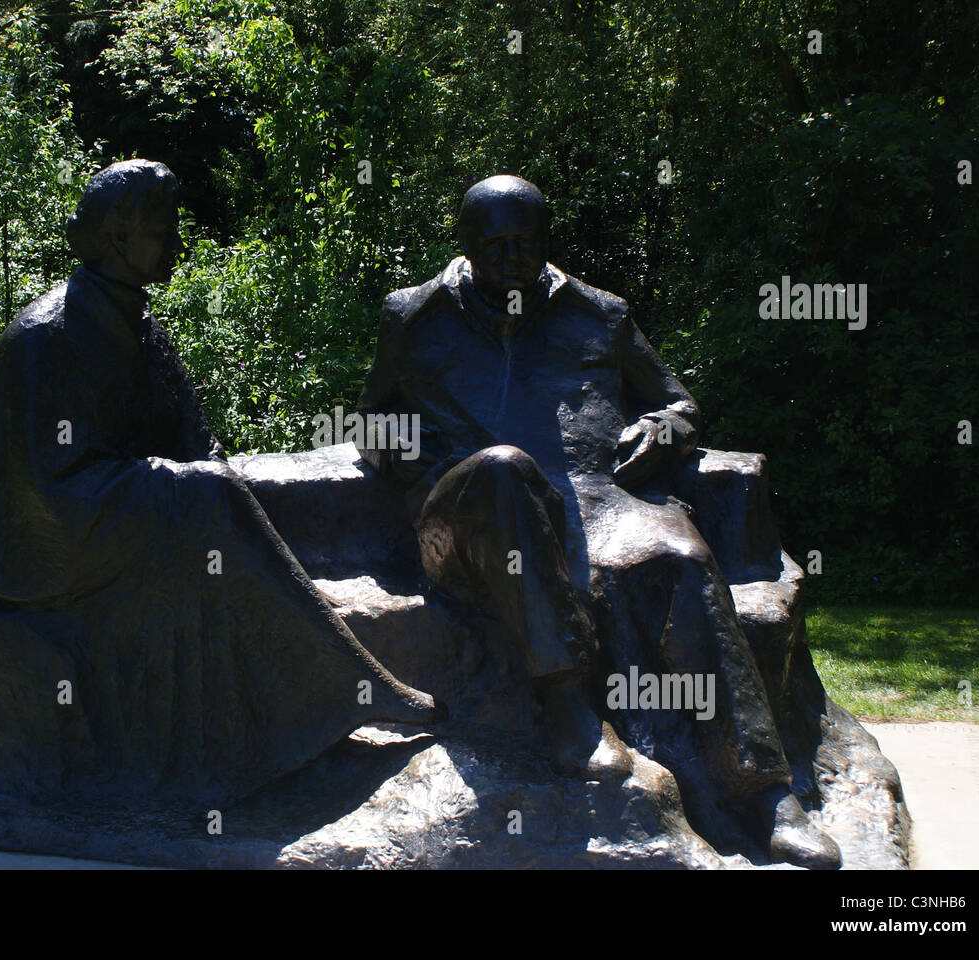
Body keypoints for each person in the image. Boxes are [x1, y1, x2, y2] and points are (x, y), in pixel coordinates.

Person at [355, 174, 840, 868]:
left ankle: (764, 796)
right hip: (465, 519)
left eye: (526, 242)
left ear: (547, 241)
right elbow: (370, 417)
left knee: (682, 556)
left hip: (596, 506)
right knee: (500, 466)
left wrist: (665, 431)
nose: (512, 256)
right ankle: (566, 707)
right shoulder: (414, 316)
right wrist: (403, 455)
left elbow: (677, 402)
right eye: (495, 244)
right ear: (465, 245)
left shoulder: (601, 314)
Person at [0, 159, 441, 804]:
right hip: (34, 543)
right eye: (165, 228)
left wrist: (208, 481)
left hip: (98, 509)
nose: (178, 243)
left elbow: (193, 439)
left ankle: (317, 702)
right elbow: (41, 481)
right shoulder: (48, 335)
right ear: (120, 238)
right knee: (203, 498)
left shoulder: (138, 324)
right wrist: (188, 489)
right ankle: (353, 688)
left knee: (215, 493)